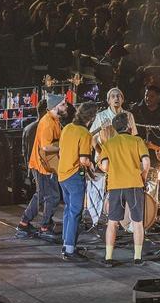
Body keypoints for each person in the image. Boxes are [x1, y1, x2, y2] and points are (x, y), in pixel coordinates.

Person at [97, 112, 150, 266]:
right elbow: (146, 163)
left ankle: (108, 257)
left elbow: (105, 166)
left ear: (114, 128)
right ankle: (138, 257)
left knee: (112, 222)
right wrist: (143, 178)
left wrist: (108, 168)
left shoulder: (109, 144)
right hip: (134, 184)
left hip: (115, 186)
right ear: (128, 126)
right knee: (137, 222)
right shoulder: (137, 140)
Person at [17, 94, 68, 236]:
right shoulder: (47, 123)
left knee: (41, 195)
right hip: (42, 166)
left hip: (44, 164)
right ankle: (44, 227)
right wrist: (63, 147)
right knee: (53, 196)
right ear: (54, 107)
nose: (66, 106)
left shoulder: (55, 120)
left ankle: (24, 223)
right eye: (63, 104)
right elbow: (46, 147)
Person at [86, 87, 136, 225]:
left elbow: (134, 137)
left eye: (119, 96)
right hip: (107, 159)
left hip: (124, 158)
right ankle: (108, 218)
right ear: (108, 100)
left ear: (123, 99)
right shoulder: (101, 116)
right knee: (110, 190)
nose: (116, 98)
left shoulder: (129, 115)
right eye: (113, 96)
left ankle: (124, 220)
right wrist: (101, 152)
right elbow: (91, 137)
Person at [57, 102, 98, 262]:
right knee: (75, 213)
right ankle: (70, 250)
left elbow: (61, 151)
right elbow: (83, 159)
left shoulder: (67, 128)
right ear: (92, 118)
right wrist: (92, 165)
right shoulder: (85, 134)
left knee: (68, 210)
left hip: (62, 174)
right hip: (74, 176)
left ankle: (67, 243)